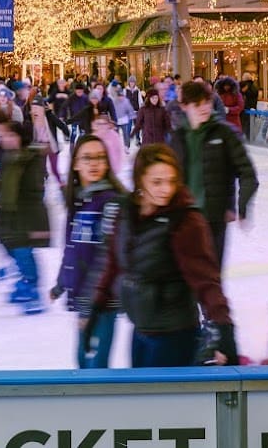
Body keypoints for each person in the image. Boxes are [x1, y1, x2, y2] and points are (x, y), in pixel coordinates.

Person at [93, 144, 240, 367]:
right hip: (141, 330)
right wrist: (97, 306)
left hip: (174, 334)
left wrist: (224, 328)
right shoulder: (126, 212)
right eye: (157, 182)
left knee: (160, 401)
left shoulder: (184, 220)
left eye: (171, 181)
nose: (166, 189)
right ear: (140, 179)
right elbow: (114, 264)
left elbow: (206, 280)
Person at [52, 134, 126, 367]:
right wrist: (62, 282)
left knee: (95, 366)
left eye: (100, 158)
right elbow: (72, 248)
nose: (94, 164)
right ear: (75, 163)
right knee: (83, 362)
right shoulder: (79, 201)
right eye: (87, 158)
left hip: (102, 301)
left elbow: (108, 257)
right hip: (84, 295)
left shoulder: (110, 202)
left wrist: (88, 305)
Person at [169, 80, 258, 272]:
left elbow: (247, 172)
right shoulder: (178, 137)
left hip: (213, 218)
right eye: (197, 104)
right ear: (185, 106)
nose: (204, 108)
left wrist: (241, 206)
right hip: (184, 218)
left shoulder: (225, 133)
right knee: (185, 277)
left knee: (211, 276)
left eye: (207, 103)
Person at [0, 113, 51, 314]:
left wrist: (35, 221)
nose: (6, 140)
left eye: (11, 136)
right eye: (4, 136)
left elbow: (34, 190)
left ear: (20, 138)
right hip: (9, 212)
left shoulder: (30, 159)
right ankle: (24, 280)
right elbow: (6, 184)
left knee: (23, 251)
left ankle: (32, 289)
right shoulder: (9, 158)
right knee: (10, 245)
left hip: (26, 213)